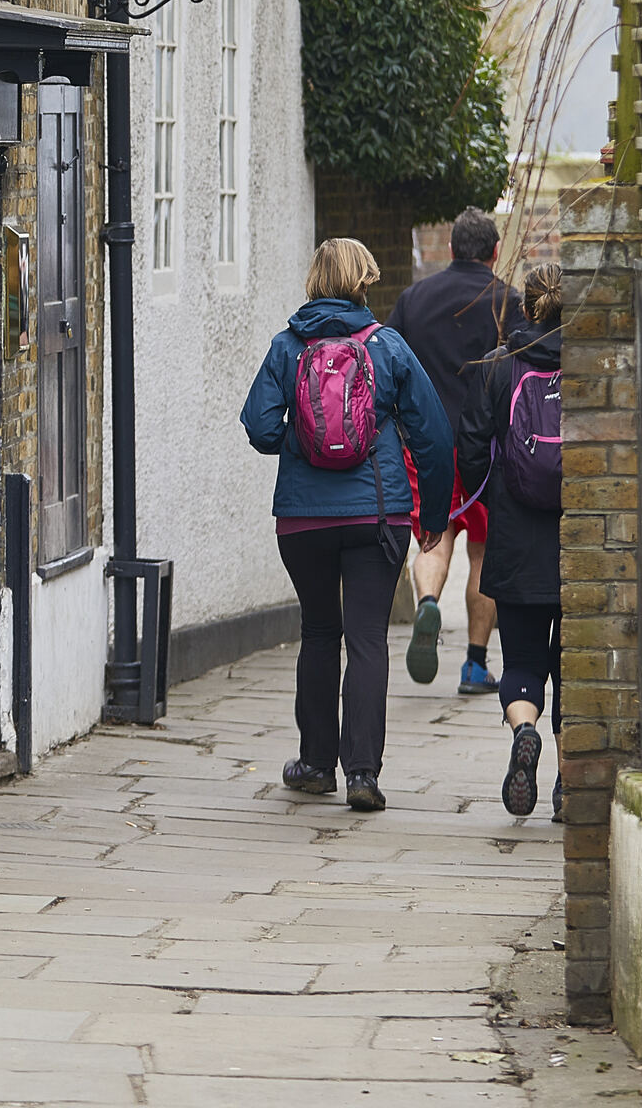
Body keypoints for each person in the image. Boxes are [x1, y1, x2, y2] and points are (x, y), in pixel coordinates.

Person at [241, 236, 453, 813]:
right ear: (363, 281)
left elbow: (260, 427)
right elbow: (434, 437)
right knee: (366, 638)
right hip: (376, 514)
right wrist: (433, 516)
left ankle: (315, 765)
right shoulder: (387, 346)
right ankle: (362, 774)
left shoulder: (288, 346)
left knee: (317, 631)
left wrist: (304, 436)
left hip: (303, 518)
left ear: (315, 279)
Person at [387, 206, 526, 693]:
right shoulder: (507, 302)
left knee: (434, 537)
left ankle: (428, 601)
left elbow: (389, 364)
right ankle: (474, 664)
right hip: (486, 448)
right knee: (484, 552)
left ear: (450, 249)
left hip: (427, 444)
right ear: (495, 252)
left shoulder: (413, 299)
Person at [473, 261, 565, 817]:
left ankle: (524, 729)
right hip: (580, 543)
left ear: (525, 307)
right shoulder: (594, 365)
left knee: (523, 662)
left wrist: (493, 500)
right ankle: (568, 785)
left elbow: (470, 447)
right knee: (575, 667)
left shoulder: (498, 366)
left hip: (515, 539)